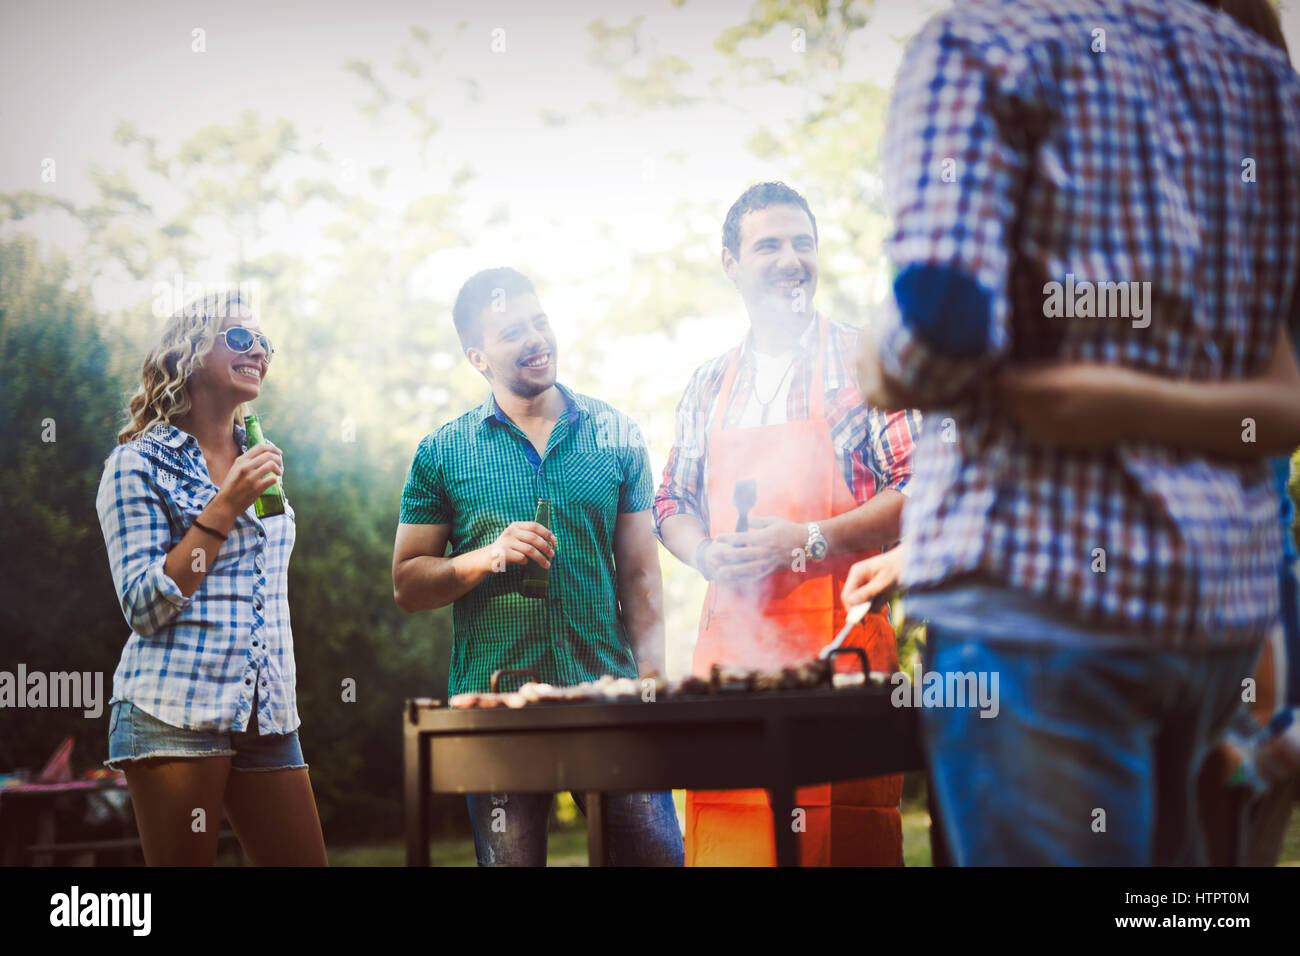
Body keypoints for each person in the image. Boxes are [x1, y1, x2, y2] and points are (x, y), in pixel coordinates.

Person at [856, 0, 1300, 865]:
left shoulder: (982, 44)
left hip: (1038, 608)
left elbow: (940, 328)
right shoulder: (1262, 78)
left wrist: (874, 358)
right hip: (1213, 620)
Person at [655, 182, 921, 866]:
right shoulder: (708, 383)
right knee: (730, 837)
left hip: (842, 647)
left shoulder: (869, 363)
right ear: (731, 263)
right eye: (768, 244)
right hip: (733, 664)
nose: (790, 258)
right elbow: (671, 504)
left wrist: (810, 539)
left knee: (843, 836)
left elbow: (921, 488)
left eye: (803, 242)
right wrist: (708, 556)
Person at [392, 267, 683, 866]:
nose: (534, 339)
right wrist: (486, 556)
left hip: (610, 697)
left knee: (654, 857)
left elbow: (640, 575)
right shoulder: (442, 451)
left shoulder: (615, 434)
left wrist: (650, 681)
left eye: (539, 322)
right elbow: (408, 583)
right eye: (510, 332)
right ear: (478, 356)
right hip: (497, 708)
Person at [97, 290, 327, 866]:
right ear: (192, 350)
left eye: (264, 343)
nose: (259, 352)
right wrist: (226, 504)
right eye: (242, 338)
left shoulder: (258, 455)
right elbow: (145, 605)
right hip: (173, 709)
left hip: (267, 712)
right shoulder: (137, 463)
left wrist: (243, 488)